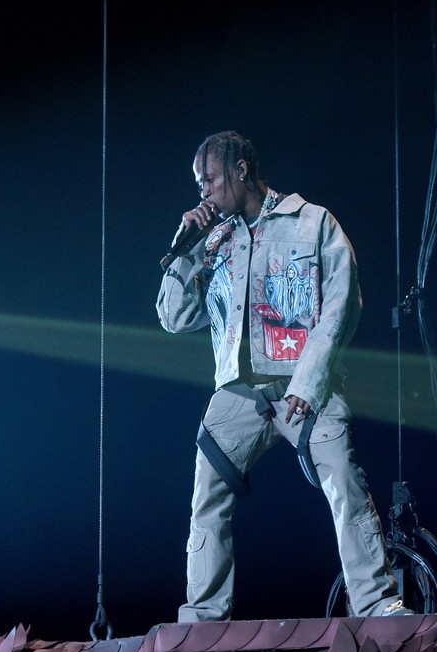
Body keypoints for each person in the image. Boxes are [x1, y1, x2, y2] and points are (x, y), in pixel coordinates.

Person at [156, 130, 411, 622]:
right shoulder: (213, 242)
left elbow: (342, 305)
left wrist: (309, 382)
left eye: (208, 178)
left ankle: (378, 604)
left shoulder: (312, 222)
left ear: (241, 170)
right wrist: (185, 250)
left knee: (346, 482)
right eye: (198, 183)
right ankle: (203, 618)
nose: (202, 190)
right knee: (206, 494)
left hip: (305, 386)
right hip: (238, 392)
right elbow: (174, 316)